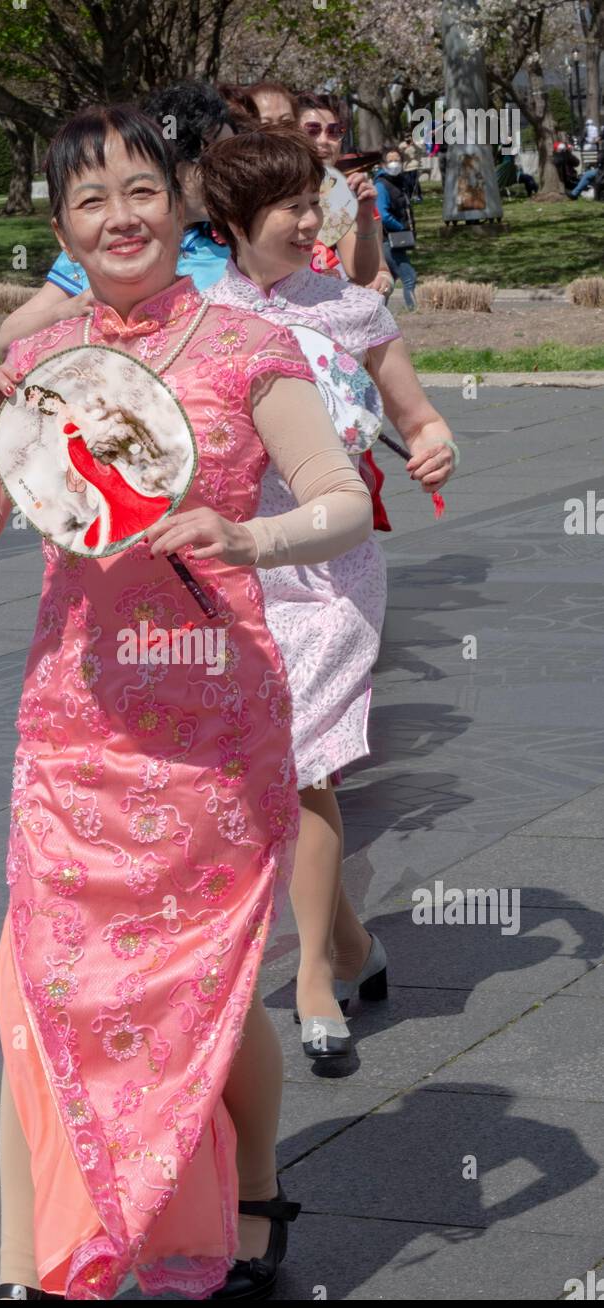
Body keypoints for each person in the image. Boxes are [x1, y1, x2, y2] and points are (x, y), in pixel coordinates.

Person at [0, 103, 374, 1300]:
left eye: (139, 190)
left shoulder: (243, 347)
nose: (118, 216)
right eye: (89, 201)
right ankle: (34, 1265)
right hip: (74, 722)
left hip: (212, 728)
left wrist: (249, 530)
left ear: (177, 204)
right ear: (63, 229)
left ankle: (248, 1198)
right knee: (35, 986)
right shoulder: (42, 362)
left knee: (210, 997)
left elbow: (338, 497)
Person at [198, 124, 457, 1059]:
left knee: (307, 761)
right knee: (263, 774)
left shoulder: (351, 309)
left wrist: (435, 442)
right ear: (231, 220)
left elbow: (417, 415)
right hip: (232, 567)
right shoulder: (197, 317)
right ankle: (351, 941)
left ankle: (309, 976)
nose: (313, 221)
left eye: (318, 202)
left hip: (330, 566)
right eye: (292, 207)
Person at [0, 81, 234, 354]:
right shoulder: (91, 252)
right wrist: (68, 312)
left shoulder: (242, 246)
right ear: (173, 165)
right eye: (217, 159)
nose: (234, 173)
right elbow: (7, 338)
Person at [296, 90, 392, 296]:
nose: (324, 140)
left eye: (334, 131)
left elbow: (371, 272)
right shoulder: (268, 192)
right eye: (312, 130)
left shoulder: (350, 196)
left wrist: (383, 280)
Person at [374, 145, 417, 310]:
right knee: (409, 277)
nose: (394, 164)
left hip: (395, 241)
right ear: (383, 164)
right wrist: (401, 227)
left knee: (387, 283)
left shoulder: (399, 182)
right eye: (390, 160)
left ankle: (378, 314)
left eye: (397, 160)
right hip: (388, 241)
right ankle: (414, 311)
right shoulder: (381, 185)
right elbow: (383, 215)